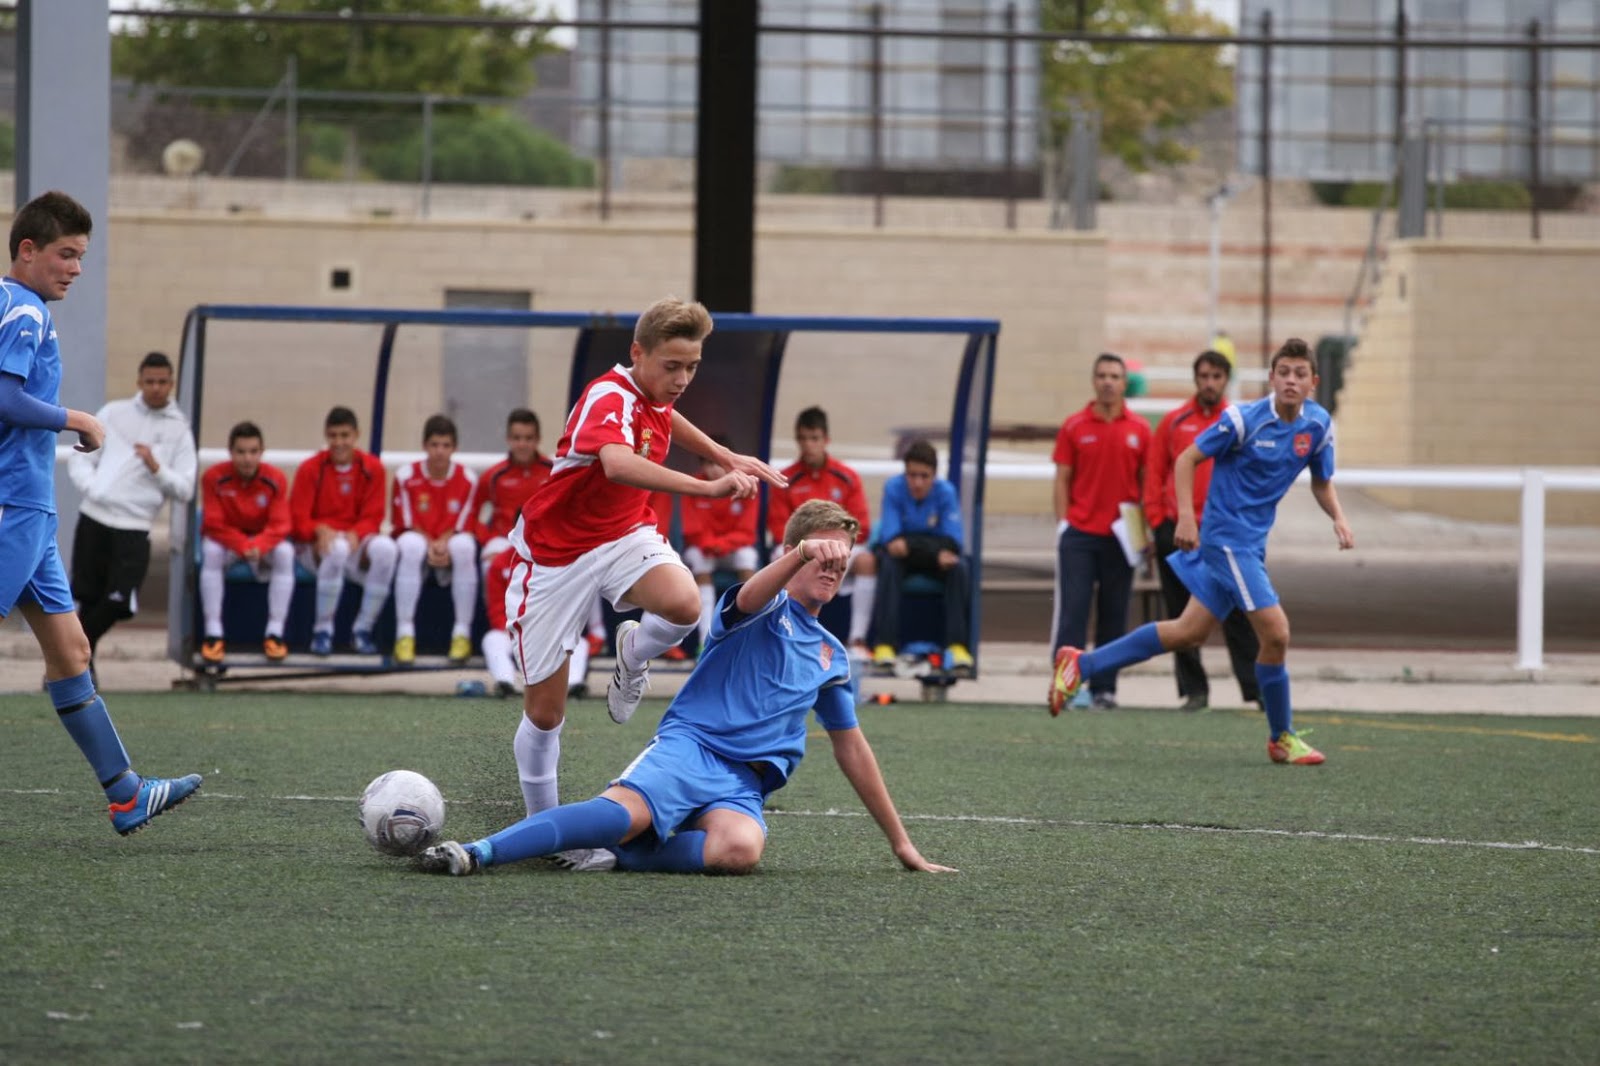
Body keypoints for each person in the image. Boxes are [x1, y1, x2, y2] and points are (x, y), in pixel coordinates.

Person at [417, 499, 955, 878]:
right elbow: (747, 596)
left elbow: (852, 747)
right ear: (794, 551)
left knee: (740, 851)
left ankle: (618, 857)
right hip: (691, 747)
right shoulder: (762, 604)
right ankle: (478, 851)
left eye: (842, 559)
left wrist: (901, 842)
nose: (834, 567)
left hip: (741, 783)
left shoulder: (831, 655)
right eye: (824, 555)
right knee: (619, 816)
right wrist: (801, 555)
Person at [502, 296, 785, 823]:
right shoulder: (607, 395)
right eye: (671, 366)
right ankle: (545, 826)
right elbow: (616, 463)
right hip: (554, 557)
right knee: (546, 714)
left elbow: (665, 416)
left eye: (692, 367)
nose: (682, 379)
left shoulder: (651, 392)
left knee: (683, 604)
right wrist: (708, 486)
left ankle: (633, 651)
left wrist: (725, 454)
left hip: (622, 534)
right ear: (638, 353)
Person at [1050, 338, 1355, 766]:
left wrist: (1338, 518)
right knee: (1277, 632)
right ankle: (1281, 736)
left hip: (1251, 543)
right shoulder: (1244, 420)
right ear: (1271, 378)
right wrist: (1188, 520)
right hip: (1226, 541)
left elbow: (1322, 482)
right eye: (1283, 372)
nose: (1290, 380)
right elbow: (1186, 459)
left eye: (1299, 374)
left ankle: (1080, 666)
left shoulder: (1318, 426)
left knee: (1187, 631)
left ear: (1313, 382)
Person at [0, 189, 200, 833]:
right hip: (12, 506)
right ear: (27, 251)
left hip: (30, 507)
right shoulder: (23, 311)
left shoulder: (14, 305)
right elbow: (4, 397)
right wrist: (75, 418)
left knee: (73, 650)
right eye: (66, 254)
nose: (75, 268)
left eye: (81, 256)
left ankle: (125, 792)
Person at [1145, 350, 1262, 711]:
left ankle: (1255, 689)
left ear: (1226, 380)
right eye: (1204, 376)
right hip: (1178, 533)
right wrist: (1158, 523)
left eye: (1216, 376)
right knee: (1181, 615)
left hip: (1223, 536)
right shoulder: (1174, 422)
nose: (1209, 383)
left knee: (1241, 611)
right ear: (1195, 379)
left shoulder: (1238, 422)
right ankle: (1195, 692)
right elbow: (1154, 474)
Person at [67, 350, 197, 666]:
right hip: (95, 517)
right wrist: (94, 489)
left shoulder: (179, 429)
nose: (155, 387)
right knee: (88, 598)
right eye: (150, 381)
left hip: (136, 526)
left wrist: (156, 468)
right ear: (139, 381)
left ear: (171, 384)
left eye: (162, 382)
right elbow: (81, 457)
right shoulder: (114, 413)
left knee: (118, 601)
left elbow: (185, 488)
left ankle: (69, 655)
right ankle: (79, 671)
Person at [1050, 352, 1152, 710]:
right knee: (1073, 614)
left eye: (1115, 376)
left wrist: (1144, 535)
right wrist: (1064, 523)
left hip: (1121, 538)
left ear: (1125, 383)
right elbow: (1062, 478)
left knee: (1114, 615)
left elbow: (1145, 485)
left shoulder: (1140, 430)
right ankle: (1066, 687)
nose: (1108, 381)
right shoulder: (1074, 426)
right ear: (1094, 381)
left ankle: (1104, 690)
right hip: (1079, 534)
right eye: (1102, 375)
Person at [767, 405, 876, 659]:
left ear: (825, 440)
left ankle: (857, 640)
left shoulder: (847, 477)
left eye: (814, 438)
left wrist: (833, 547)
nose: (808, 445)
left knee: (868, 561)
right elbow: (778, 527)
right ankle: (781, 632)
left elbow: (863, 526)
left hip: (840, 550)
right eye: (803, 439)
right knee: (778, 556)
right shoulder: (785, 479)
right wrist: (811, 549)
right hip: (801, 551)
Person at [289, 406, 397, 656]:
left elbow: (374, 516)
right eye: (333, 435)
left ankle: (362, 630)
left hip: (353, 542)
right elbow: (297, 519)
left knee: (386, 550)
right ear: (326, 436)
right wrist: (317, 529)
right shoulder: (310, 469)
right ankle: (322, 631)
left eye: (345, 435)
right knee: (335, 549)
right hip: (315, 547)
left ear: (356, 435)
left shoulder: (373, 468)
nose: (339, 442)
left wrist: (357, 533)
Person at [870, 439, 973, 677]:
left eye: (924, 476)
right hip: (905, 560)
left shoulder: (946, 492)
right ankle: (885, 645)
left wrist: (917, 546)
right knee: (888, 562)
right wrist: (934, 551)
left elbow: (952, 542)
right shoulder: (893, 488)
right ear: (904, 473)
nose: (917, 482)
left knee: (960, 568)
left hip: (932, 559)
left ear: (934, 475)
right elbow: (892, 540)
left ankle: (957, 646)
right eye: (912, 475)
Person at [198, 420, 294, 664]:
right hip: (230, 542)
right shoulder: (213, 477)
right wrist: (243, 545)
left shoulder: (275, 479)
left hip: (261, 543)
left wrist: (259, 545)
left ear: (262, 452)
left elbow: (281, 524)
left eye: (253, 452)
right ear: (231, 452)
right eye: (241, 452)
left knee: (285, 553)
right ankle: (213, 634)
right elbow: (213, 523)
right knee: (210, 552)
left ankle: (275, 633)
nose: (247, 459)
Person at [391, 413, 478, 665]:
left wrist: (442, 543)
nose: (440, 452)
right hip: (421, 542)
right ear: (424, 446)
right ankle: (404, 635)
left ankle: (462, 635)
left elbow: (464, 522)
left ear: (455, 448)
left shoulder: (468, 479)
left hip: (448, 543)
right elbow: (404, 521)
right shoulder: (405, 476)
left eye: (446, 445)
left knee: (464, 546)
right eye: (434, 445)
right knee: (410, 545)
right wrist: (431, 543)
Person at [680, 437, 760, 654]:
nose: (714, 469)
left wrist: (721, 544)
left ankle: (750, 634)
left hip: (730, 549)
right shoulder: (695, 484)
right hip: (706, 550)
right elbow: (692, 530)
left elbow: (747, 532)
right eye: (707, 463)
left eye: (718, 463)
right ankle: (705, 640)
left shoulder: (746, 484)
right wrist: (712, 544)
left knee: (747, 558)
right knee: (698, 559)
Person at [469, 407, 552, 567]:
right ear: (508, 439)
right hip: (502, 540)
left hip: (542, 541)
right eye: (517, 438)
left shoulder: (553, 472)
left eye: (529, 438)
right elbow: (473, 513)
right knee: (491, 566)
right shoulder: (494, 476)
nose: (522, 444)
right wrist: (487, 540)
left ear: (538, 439)